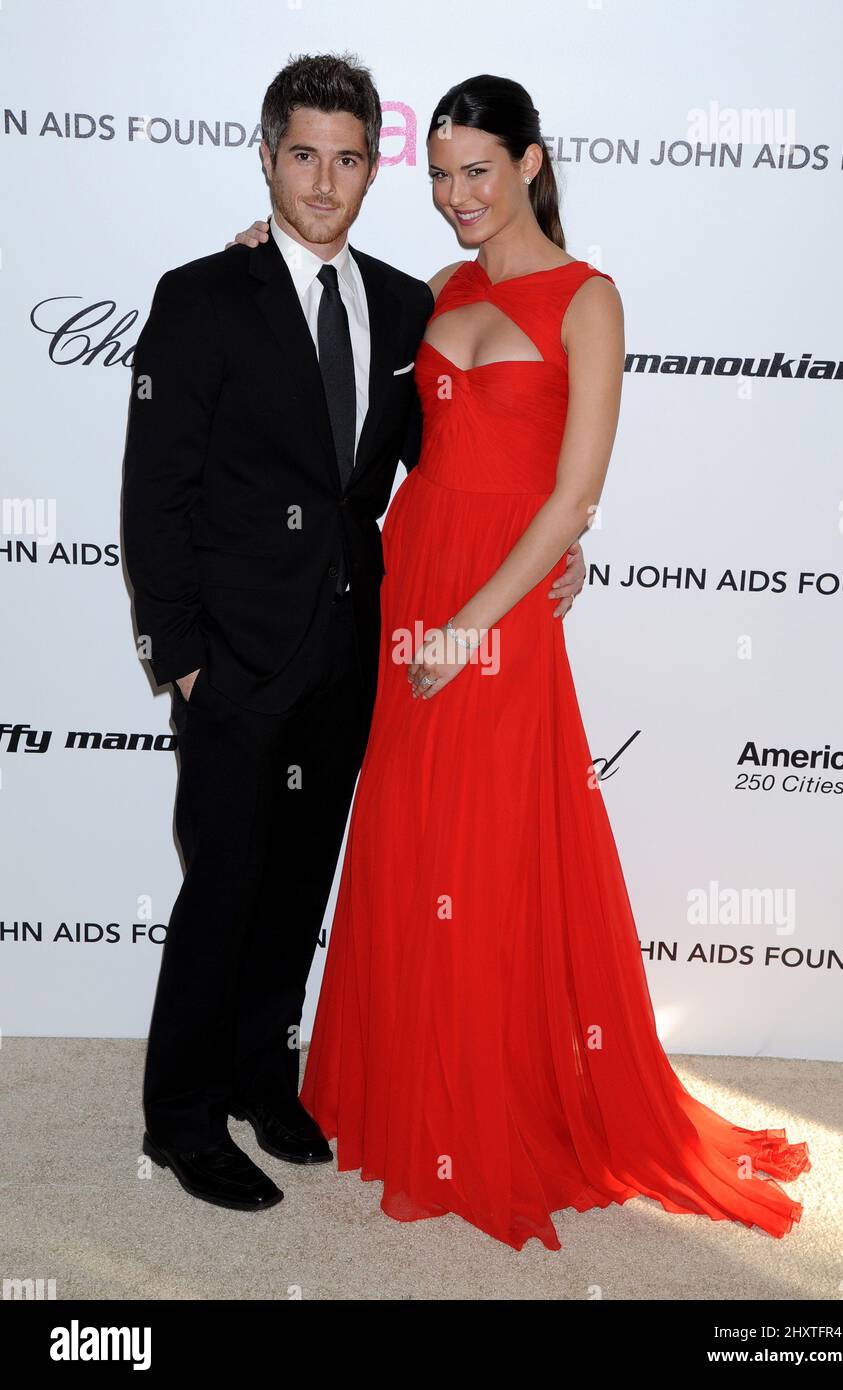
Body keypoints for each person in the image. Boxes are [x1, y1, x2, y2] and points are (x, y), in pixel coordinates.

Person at [234, 73, 811, 1251]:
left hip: (493, 610)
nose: (455, 197)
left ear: (532, 164)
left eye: (478, 172)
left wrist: (478, 621)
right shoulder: (435, 290)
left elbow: (572, 495)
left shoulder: (587, 298)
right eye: (439, 176)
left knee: (493, 848)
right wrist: (261, 251)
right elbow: (351, 388)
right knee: (406, 840)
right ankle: (405, 1093)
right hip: (410, 587)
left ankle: (493, 1107)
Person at [121, 54, 586, 1213]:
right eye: (302, 155)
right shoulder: (200, 293)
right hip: (230, 652)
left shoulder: (412, 300)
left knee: (296, 887)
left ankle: (264, 1084)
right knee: (221, 883)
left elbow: (464, 461)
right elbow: (152, 492)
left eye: (347, 157)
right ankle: (181, 1118)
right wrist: (177, 649)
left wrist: (559, 541)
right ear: (267, 155)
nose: (324, 181)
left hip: (352, 649)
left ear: (370, 168)